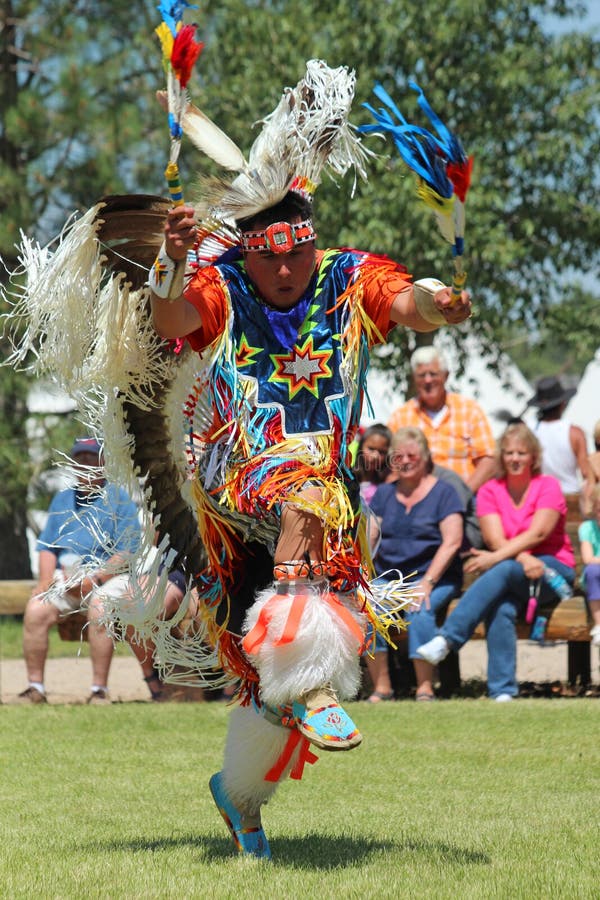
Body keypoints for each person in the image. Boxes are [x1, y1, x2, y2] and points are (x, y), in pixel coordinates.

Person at [147, 62, 473, 859]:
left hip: (318, 500)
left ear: (314, 244)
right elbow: (169, 315)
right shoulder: (224, 284)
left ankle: (241, 802)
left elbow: (408, 305)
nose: (284, 271)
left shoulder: (345, 276)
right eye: (269, 259)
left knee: (267, 687)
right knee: (304, 490)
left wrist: (441, 301)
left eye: (296, 255)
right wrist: (169, 259)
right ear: (249, 253)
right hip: (236, 478)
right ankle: (319, 683)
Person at [417, 421, 576, 701]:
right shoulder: (490, 490)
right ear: (502, 456)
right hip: (518, 572)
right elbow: (493, 539)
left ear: (534, 457)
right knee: (501, 607)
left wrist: (513, 558)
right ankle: (502, 692)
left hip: (553, 571)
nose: (515, 458)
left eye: (522, 453)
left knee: (503, 568)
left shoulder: (548, 485)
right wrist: (523, 558)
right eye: (509, 452)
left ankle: (448, 638)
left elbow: (538, 532)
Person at [18, 438, 141, 704]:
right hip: (66, 577)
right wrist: (45, 580)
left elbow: (128, 550)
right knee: (35, 609)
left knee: (99, 607)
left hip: (106, 579)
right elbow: (48, 547)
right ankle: (35, 688)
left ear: (103, 463)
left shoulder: (119, 499)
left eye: (90, 458)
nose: (84, 464)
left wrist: (96, 579)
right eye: (80, 458)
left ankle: (99, 690)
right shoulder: (62, 500)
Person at [369, 427, 464, 700]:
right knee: (367, 607)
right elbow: (370, 536)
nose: (406, 461)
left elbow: (452, 542)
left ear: (425, 457)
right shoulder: (384, 494)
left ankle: (424, 687)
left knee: (419, 606)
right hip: (389, 577)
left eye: (412, 455)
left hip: (432, 576)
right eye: (398, 456)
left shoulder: (445, 492)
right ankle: (382, 687)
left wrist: (427, 583)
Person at [387, 346, 496, 493]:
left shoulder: (470, 410)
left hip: (464, 498)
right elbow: (391, 466)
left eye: (433, 374)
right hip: (415, 502)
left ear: (446, 375)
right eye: (421, 375)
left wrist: (464, 495)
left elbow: (488, 459)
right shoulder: (400, 417)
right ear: (414, 379)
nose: (428, 380)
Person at [353, 425, 394, 701]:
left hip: (375, 566)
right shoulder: (346, 480)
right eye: (371, 448)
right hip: (347, 559)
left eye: (382, 451)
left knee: (370, 609)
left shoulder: (388, 486)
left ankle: (382, 686)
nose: (376, 456)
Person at [529, 375, 593, 508]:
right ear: (562, 404)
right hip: (570, 497)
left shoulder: (530, 432)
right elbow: (586, 472)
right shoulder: (574, 433)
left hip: (539, 498)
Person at [578, 484, 600, 648]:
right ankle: (599, 624)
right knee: (593, 571)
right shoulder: (587, 528)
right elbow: (587, 558)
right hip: (596, 578)